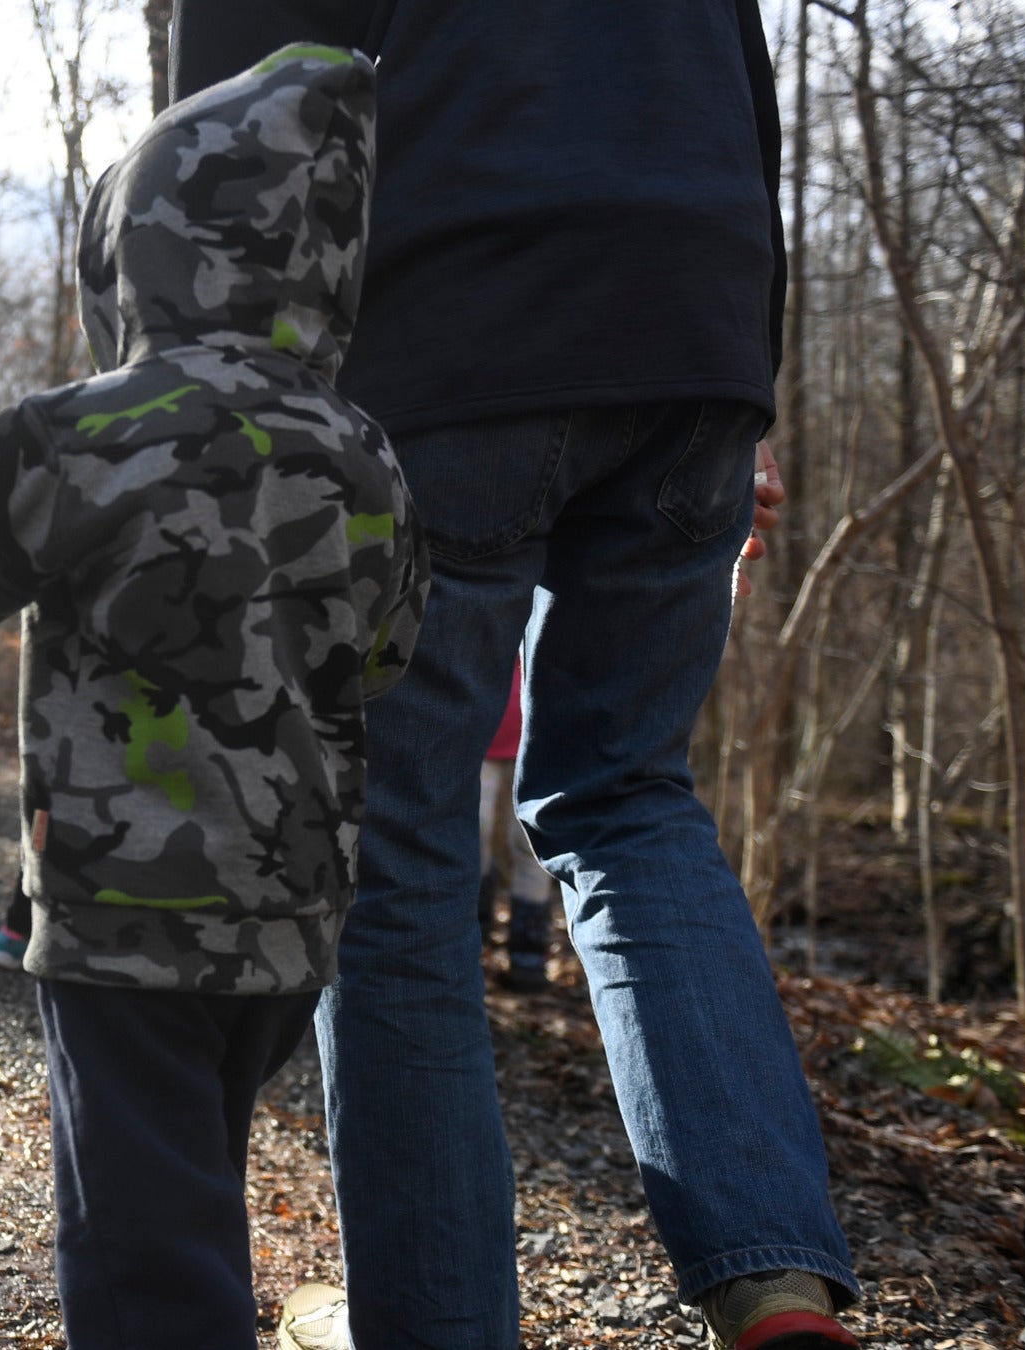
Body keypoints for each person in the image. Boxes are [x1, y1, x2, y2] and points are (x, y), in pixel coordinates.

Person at [170, 7, 859, 1350]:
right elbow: (747, 85)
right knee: (628, 798)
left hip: (452, 330)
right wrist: (742, 384)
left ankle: (436, 1325)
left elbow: (232, 117)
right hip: (697, 331)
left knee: (394, 849)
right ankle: (779, 1293)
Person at [0, 49, 425, 1350]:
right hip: (289, 925)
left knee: (143, 1251)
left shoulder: (72, 434)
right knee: (190, 1186)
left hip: (125, 921)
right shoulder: (367, 454)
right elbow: (387, 655)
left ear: (137, 247)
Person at [480, 661, 554, 991]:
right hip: (480, 738)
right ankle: (474, 935)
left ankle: (528, 956)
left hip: (537, 741)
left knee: (531, 844)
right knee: (474, 833)